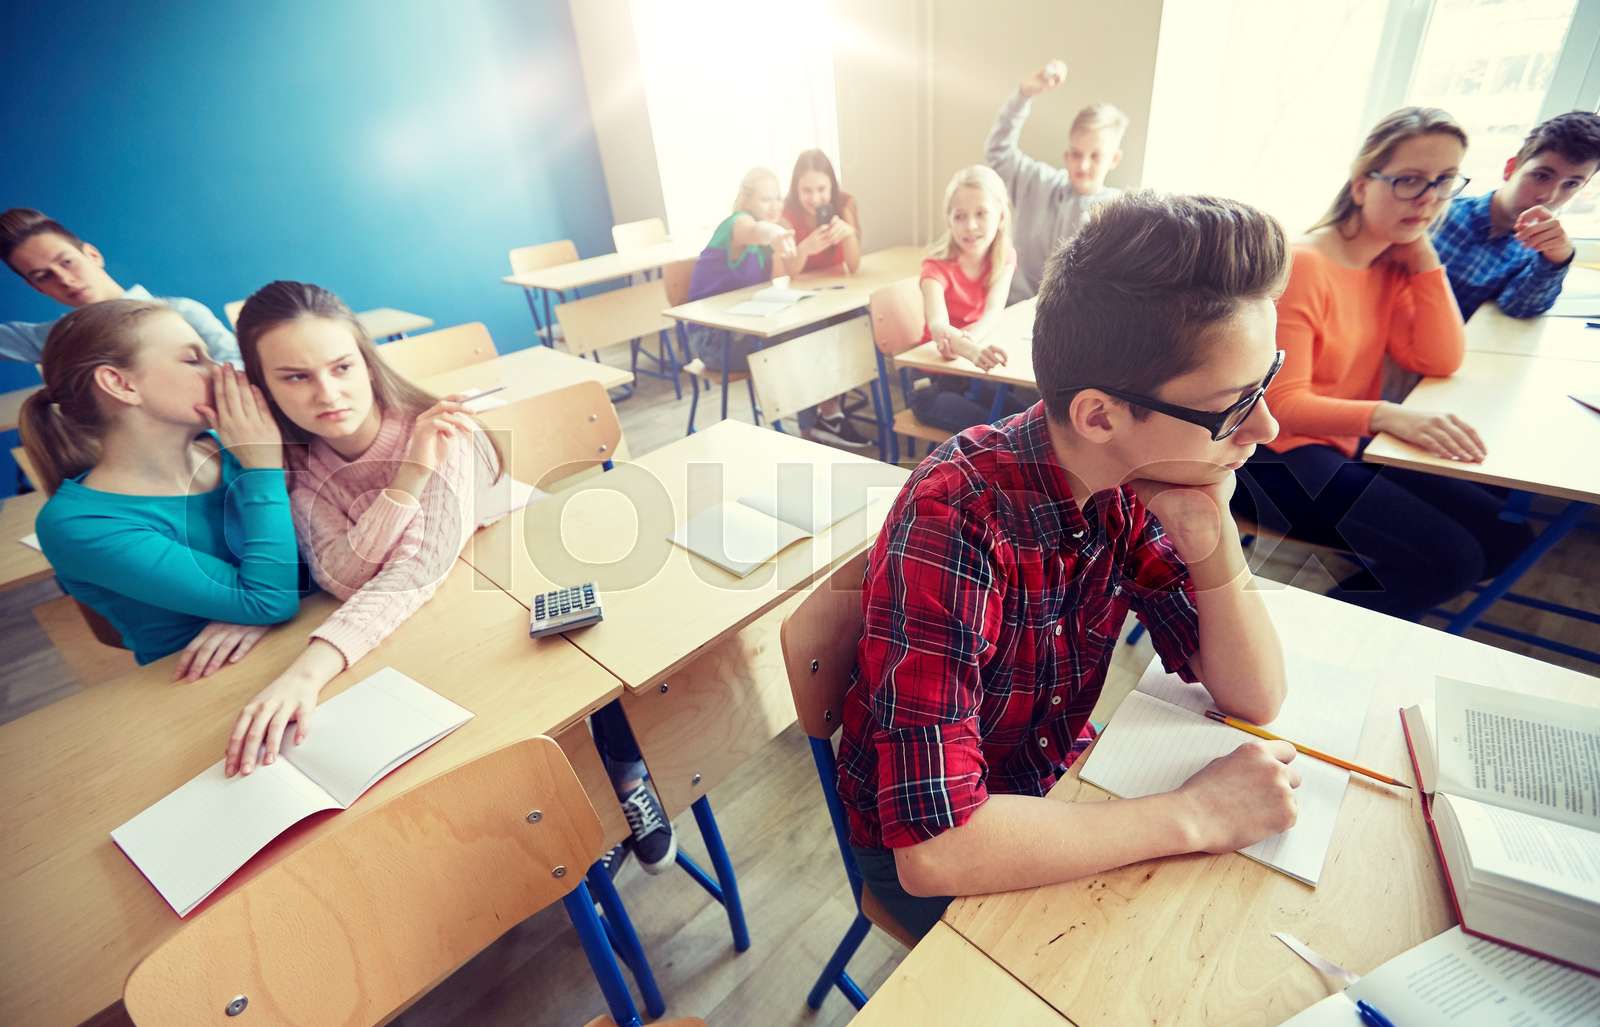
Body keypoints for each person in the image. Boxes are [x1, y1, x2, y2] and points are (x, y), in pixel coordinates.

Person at [838, 192, 1297, 939]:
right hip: (943, 841)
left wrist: (1210, 541)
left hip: (1051, 786)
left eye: (1265, 384)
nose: (1268, 427)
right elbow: (932, 850)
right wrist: (1194, 813)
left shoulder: (1127, 481)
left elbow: (1255, 692)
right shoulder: (956, 518)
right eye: (1233, 406)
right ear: (1099, 415)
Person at [225, 282, 677, 871]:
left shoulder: (439, 426)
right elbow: (341, 575)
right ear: (261, 389)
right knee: (478, 702)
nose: (328, 392)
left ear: (366, 359)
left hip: (523, 565)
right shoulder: (304, 468)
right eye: (295, 377)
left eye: (341, 366)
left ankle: (625, 774)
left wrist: (309, 671)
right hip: (439, 605)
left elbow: (416, 566)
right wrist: (409, 477)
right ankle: (562, 808)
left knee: (568, 663)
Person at [1233, 108, 1532, 623]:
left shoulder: (1390, 263)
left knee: (1507, 537)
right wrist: (1386, 415)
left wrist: (1423, 257)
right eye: (1410, 181)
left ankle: (1352, 617)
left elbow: (1442, 357)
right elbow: (1280, 404)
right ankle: (1316, 640)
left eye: (1443, 183)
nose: (1429, 200)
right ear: (1361, 184)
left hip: (1343, 443)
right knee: (1452, 561)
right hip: (1273, 458)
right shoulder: (1306, 263)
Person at [25, 299, 298, 669]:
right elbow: (270, 600)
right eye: (192, 359)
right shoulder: (78, 525)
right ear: (120, 384)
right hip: (206, 695)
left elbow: (311, 571)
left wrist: (258, 614)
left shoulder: (234, 451)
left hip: (302, 650)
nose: (220, 371)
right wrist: (264, 469)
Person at [687, 167, 873, 449]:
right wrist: (775, 233)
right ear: (746, 200)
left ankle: (822, 420)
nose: (774, 206)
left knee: (814, 327)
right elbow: (755, 230)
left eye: (777, 198)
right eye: (765, 200)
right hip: (713, 340)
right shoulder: (737, 225)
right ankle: (821, 421)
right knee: (803, 337)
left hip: (746, 327)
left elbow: (780, 283)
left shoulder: (771, 243)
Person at [1, 208, 239, 365]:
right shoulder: (59, 340)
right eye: (43, 276)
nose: (64, 279)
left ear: (92, 255)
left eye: (67, 262)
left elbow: (237, 368)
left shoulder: (184, 312)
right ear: (36, 287)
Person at [986, 60, 1129, 304]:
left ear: (1114, 159)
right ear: (1066, 155)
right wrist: (1024, 95)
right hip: (1011, 308)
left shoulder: (1117, 211)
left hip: (1068, 325)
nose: (1082, 166)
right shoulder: (1038, 182)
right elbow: (998, 152)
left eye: (1095, 156)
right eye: (1076, 154)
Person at [1433, 111, 1600, 319]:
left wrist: (1559, 258)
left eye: (1571, 184)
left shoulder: (1537, 251)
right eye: (1541, 176)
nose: (1549, 196)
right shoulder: (1438, 213)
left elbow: (1518, 307)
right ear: (1511, 169)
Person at [911, 165, 1026, 432]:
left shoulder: (1003, 256)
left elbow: (993, 313)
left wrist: (971, 346)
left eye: (981, 213)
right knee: (998, 434)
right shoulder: (935, 267)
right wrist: (971, 350)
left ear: (1000, 216)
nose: (970, 225)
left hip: (972, 378)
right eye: (960, 216)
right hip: (932, 386)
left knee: (1026, 421)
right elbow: (939, 326)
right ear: (949, 220)